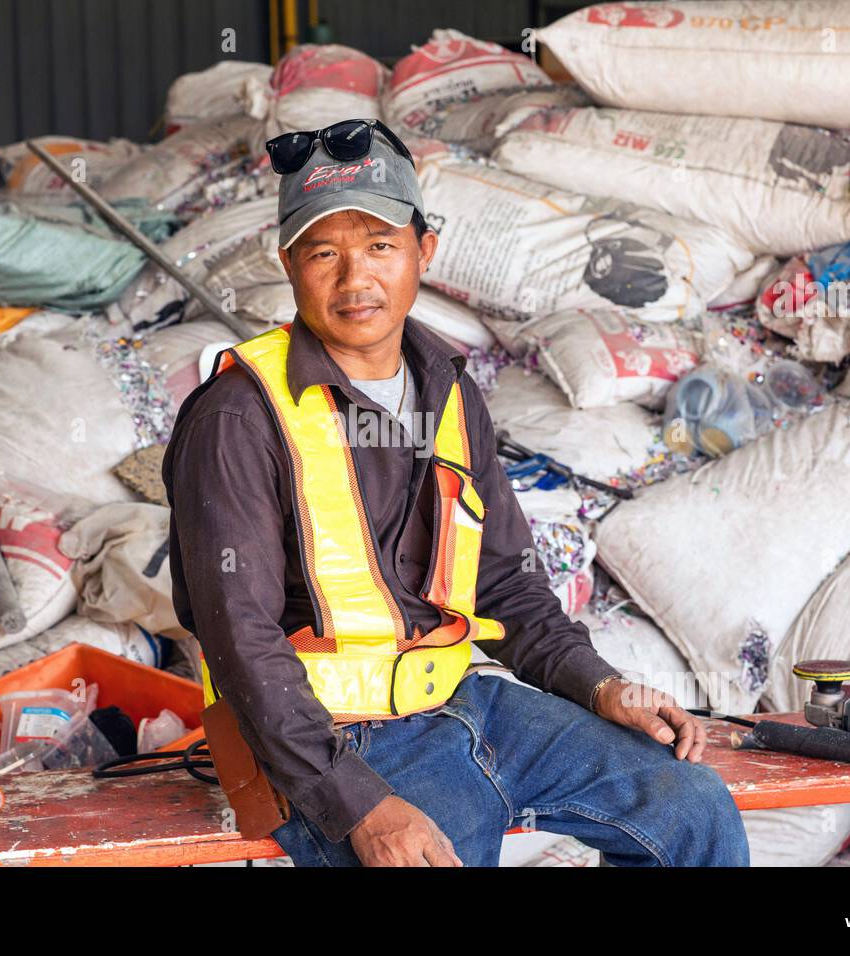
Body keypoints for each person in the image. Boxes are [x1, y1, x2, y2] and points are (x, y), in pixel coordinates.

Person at [162, 118, 749, 867]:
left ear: (423, 252)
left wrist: (598, 686)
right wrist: (360, 807)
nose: (355, 278)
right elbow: (239, 640)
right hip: (331, 747)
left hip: (462, 704)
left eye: (379, 246)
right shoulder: (240, 415)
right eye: (323, 252)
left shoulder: (447, 389)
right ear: (288, 264)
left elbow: (505, 578)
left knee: (690, 808)